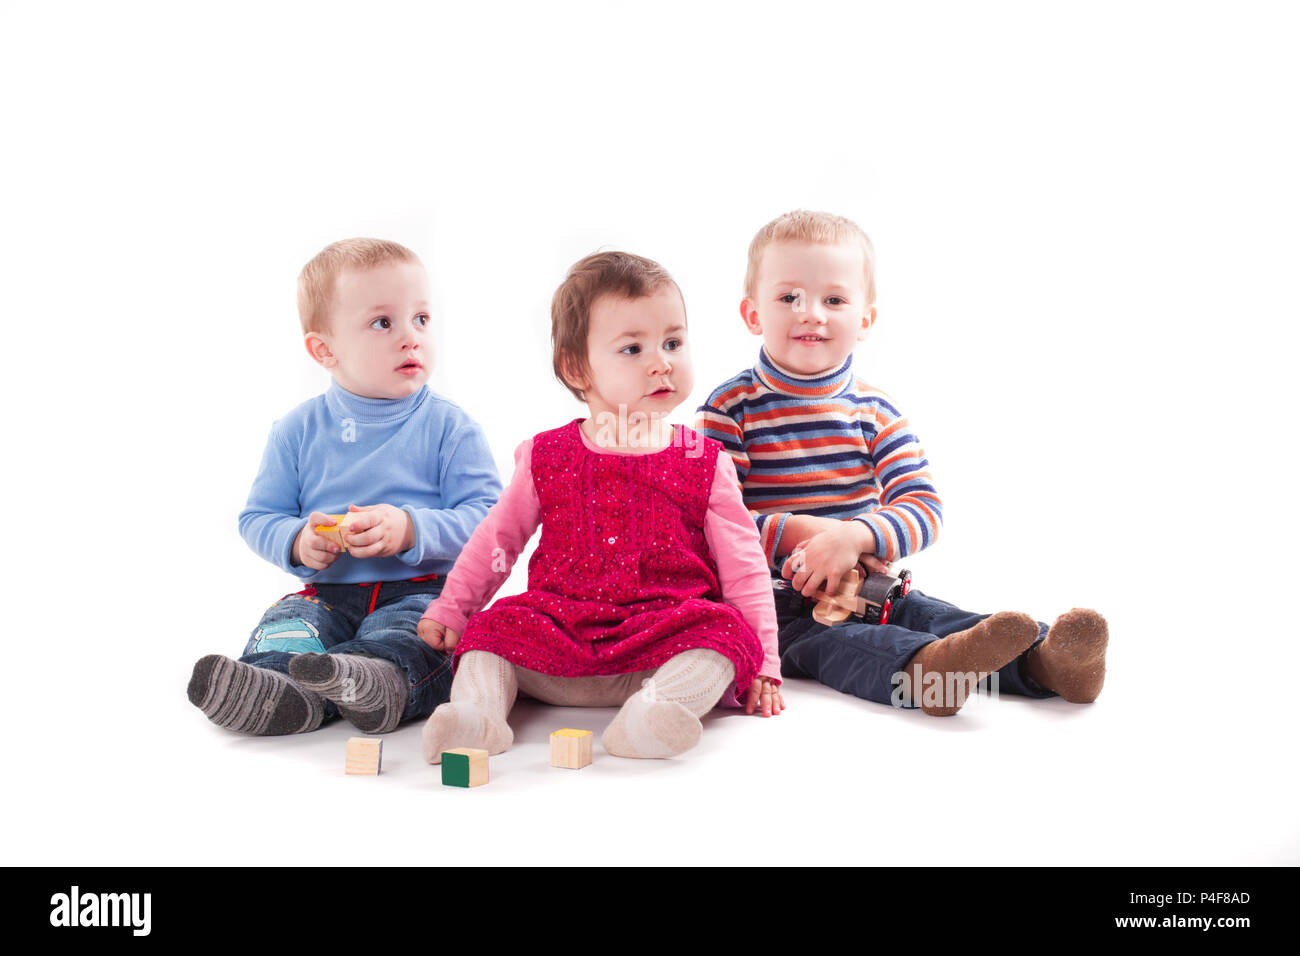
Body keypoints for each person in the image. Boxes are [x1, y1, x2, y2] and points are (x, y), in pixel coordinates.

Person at [695, 210, 1108, 716]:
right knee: (840, 647)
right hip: (776, 602)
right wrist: (801, 532)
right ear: (753, 314)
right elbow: (707, 521)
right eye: (789, 298)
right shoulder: (729, 410)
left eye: (834, 299)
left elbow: (923, 508)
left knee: (941, 618)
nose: (812, 314)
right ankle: (928, 674)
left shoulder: (875, 414)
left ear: (864, 319)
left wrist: (854, 537)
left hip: (869, 584)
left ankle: (1047, 663)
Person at [418, 251, 782, 762]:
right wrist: (454, 608)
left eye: (673, 342)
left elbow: (743, 567)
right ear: (576, 367)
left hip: (662, 640)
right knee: (487, 633)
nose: (663, 362)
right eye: (633, 348)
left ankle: (650, 716)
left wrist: (764, 659)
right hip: (557, 635)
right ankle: (477, 718)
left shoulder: (704, 460)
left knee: (724, 634)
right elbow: (498, 541)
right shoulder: (547, 455)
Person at [187, 238, 501, 735]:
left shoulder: (450, 428)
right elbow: (257, 517)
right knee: (290, 625)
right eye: (383, 322)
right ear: (324, 349)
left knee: (413, 636)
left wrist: (411, 530)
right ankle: (278, 690)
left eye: (421, 319)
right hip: (327, 592)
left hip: (424, 592)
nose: (410, 337)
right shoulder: (297, 430)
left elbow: (490, 521)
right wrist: (297, 540)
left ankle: (374, 680)